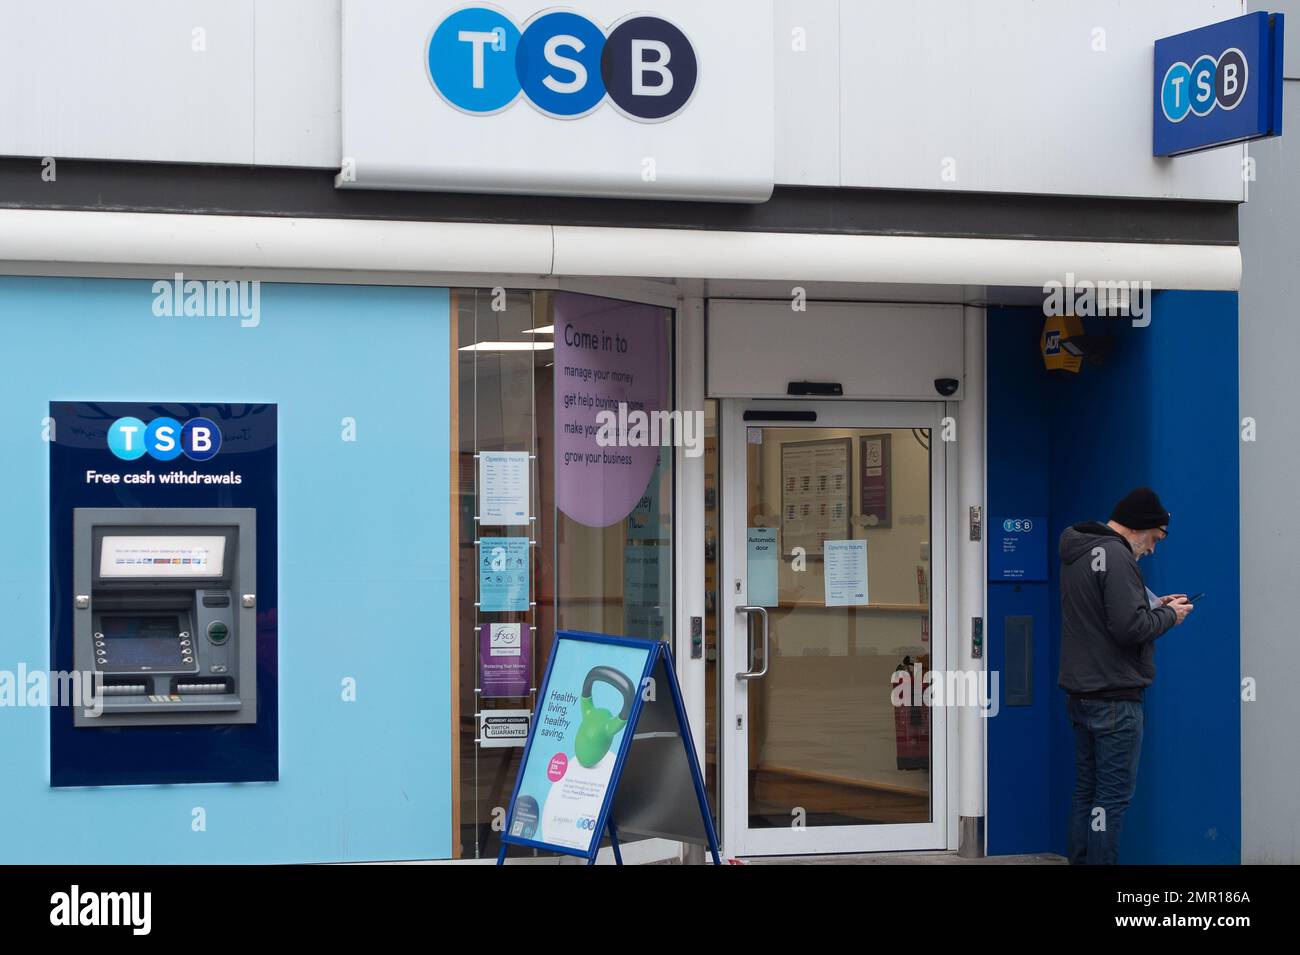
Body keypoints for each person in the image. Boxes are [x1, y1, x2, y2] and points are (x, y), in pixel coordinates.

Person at [1057, 487, 1193, 864]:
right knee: (1111, 799)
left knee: (1087, 791)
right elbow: (1129, 628)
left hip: (1081, 693)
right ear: (1140, 527)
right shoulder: (1117, 555)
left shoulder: (1080, 549)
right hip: (1115, 696)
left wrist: (1153, 604)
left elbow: (1107, 615)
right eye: (1154, 539)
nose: (1152, 549)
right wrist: (1170, 616)